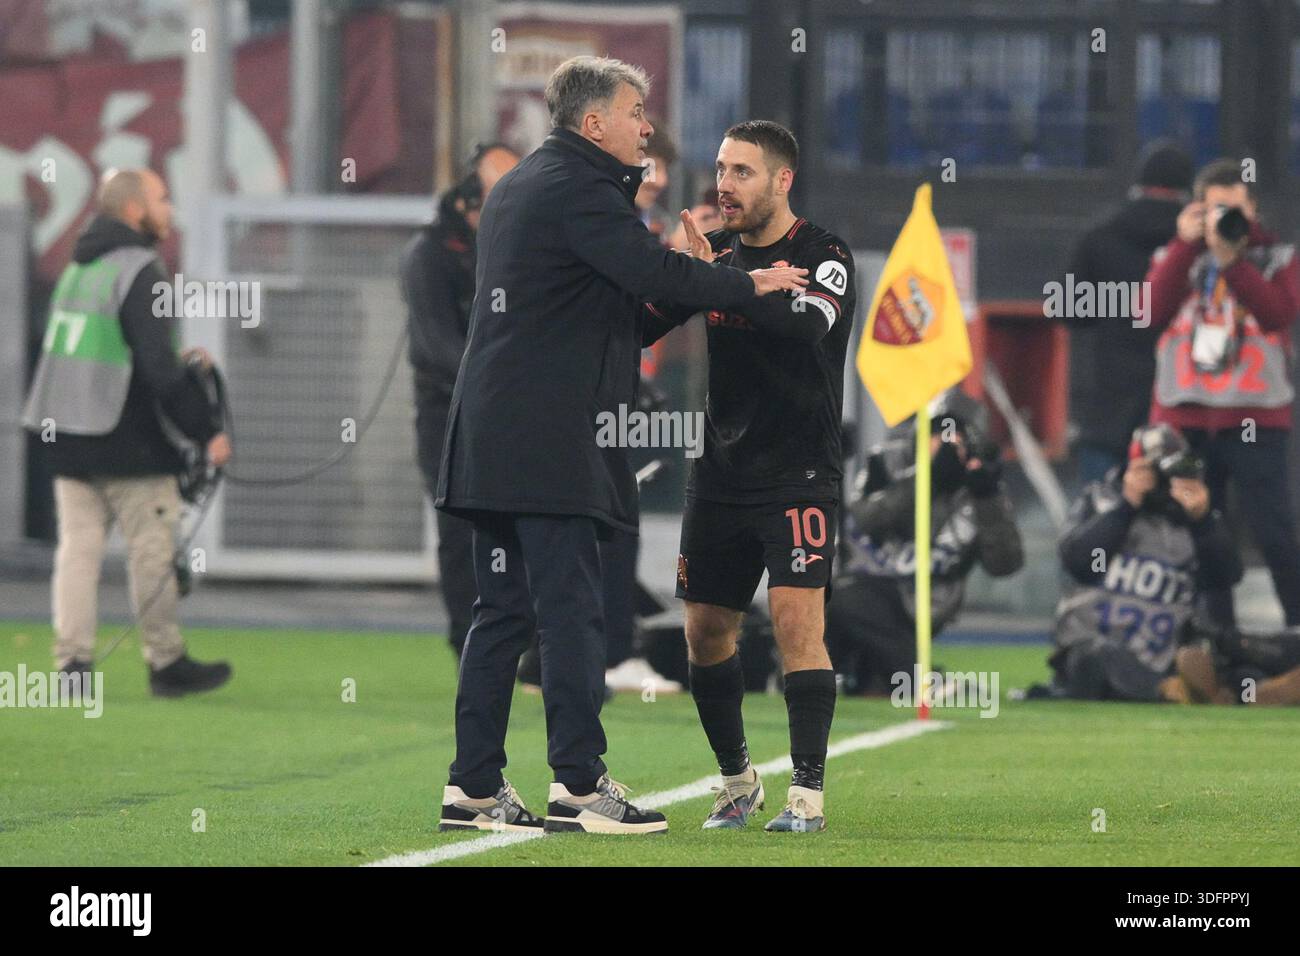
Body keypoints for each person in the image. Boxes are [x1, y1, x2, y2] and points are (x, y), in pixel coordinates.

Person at [434, 58, 807, 835]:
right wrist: (746, 283)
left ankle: (471, 789)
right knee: (570, 606)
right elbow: (650, 267)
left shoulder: (528, 187)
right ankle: (578, 783)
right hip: (547, 440)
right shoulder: (579, 189)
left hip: (492, 436)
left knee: (500, 611)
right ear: (593, 122)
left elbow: (622, 317)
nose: (647, 125)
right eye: (636, 111)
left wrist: (690, 289)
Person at [643, 120, 855, 832]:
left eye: (742, 172)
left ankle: (807, 797)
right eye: (722, 169)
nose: (724, 185)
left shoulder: (825, 253)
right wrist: (688, 276)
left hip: (800, 470)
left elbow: (805, 326)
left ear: (781, 180)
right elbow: (646, 325)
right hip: (722, 468)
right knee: (703, 632)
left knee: (798, 623)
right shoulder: (719, 256)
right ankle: (737, 784)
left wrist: (726, 283)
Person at [21, 168, 233, 697]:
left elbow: (107, 350)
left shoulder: (79, 265)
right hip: (124, 435)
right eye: (162, 199)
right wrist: (207, 430)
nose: (169, 210)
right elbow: (157, 367)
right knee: (152, 549)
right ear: (135, 210)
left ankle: (72, 668)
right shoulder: (141, 268)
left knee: (78, 549)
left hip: (64, 431)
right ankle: (165, 662)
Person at [1144, 158, 1300, 628]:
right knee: (1199, 531)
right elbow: (1149, 312)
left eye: (1237, 210)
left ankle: (1295, 626)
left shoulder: (1279, 258)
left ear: (1253, 210)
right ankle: (1214, 634)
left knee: (1274, 531)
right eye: (1217, 210)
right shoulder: (1176, 257)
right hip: (1186, 416)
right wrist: (1182, 246)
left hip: (1257, 415)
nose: (1229, 220)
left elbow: (1276, 314)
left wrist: (1235, 262)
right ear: (1198, 210)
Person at [403, 142, 520, 659]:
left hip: (510, 415)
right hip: (450, 415)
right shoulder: (429, 256)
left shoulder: (515, 251)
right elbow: (435, 346)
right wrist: (503, 380)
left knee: (519, 530)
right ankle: (467, 645)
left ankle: (519, 642)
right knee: (458, 532)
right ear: (466, 200)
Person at [829, 392, 1023, 696]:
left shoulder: (980, 487)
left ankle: (916, 678)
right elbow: (863, 520)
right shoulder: (887, 463)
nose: (944, 444)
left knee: (853, 608)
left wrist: (988, 500)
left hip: (924, 602)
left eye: (954, 437)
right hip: (865, 584)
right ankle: (814, 679)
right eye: (937, 434)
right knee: (837, 599)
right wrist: (926, 480)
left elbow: (1005, 564)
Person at [1049, 424, 1241, 702]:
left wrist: (1203, 522)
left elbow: (1225, 577)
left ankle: (1239, 689)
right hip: (1090, 649)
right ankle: (1170, 693)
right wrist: (1127, 505)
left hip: (1159, 657)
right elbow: (1078, 563)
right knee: (1095, 658)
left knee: (1240, 663)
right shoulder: (1100, 499)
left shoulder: (1194, 518)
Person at [1064, 140, 1191, 485]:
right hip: (1179, 402)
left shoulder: (1100, 236)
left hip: (1108, 400)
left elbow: (1070, 312)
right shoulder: (1199, 244)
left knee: (1099, 515)